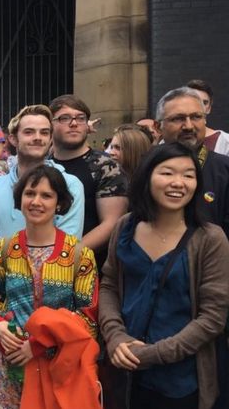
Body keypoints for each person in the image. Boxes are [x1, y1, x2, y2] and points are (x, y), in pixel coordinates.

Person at [99, 142, 229, 409]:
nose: (178, 183)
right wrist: (115, 337)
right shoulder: (126, 225)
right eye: (167, 173)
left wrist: (150, 354)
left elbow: (212, 318)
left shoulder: (210, 239)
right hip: (125, 373)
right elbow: (109, 285)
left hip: (181, 382)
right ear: (147, 176)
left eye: (188, 175)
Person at [0, 164, 98, 408]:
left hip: (58, 365)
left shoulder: (79, 255)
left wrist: (36, 345)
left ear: (59, 203)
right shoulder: (3, 250)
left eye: (46, 195)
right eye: (30, 193)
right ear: (19, 198)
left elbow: (88, 318)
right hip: (10, 362)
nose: (36, 201)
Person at [0, 104, 85, 260]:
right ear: (13, 139)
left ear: (50, 140)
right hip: (0, 277)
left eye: (44, 132)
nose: (38, 138)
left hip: (52, 278)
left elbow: (69, 242)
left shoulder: (70, 184)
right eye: (29, 132)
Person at [50, 94, 129, 268]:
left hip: (87, 267)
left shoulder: (106, 166)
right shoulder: (43, 164)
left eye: (80, 118)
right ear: (50, 125)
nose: (74, 123)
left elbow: (111, 223)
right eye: (64, 118)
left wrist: (64, 257)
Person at [156, 86, 229, 238]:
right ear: (158, 127)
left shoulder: (225, 170)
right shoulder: (145, 167)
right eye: (178, 118)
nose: (188, 126)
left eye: (196, 117)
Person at [186, 79, 229, 155]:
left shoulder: (226, 141)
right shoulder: (170, 139)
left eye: (205, 103)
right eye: (195, 101)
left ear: (209, 108)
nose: (200, 107)